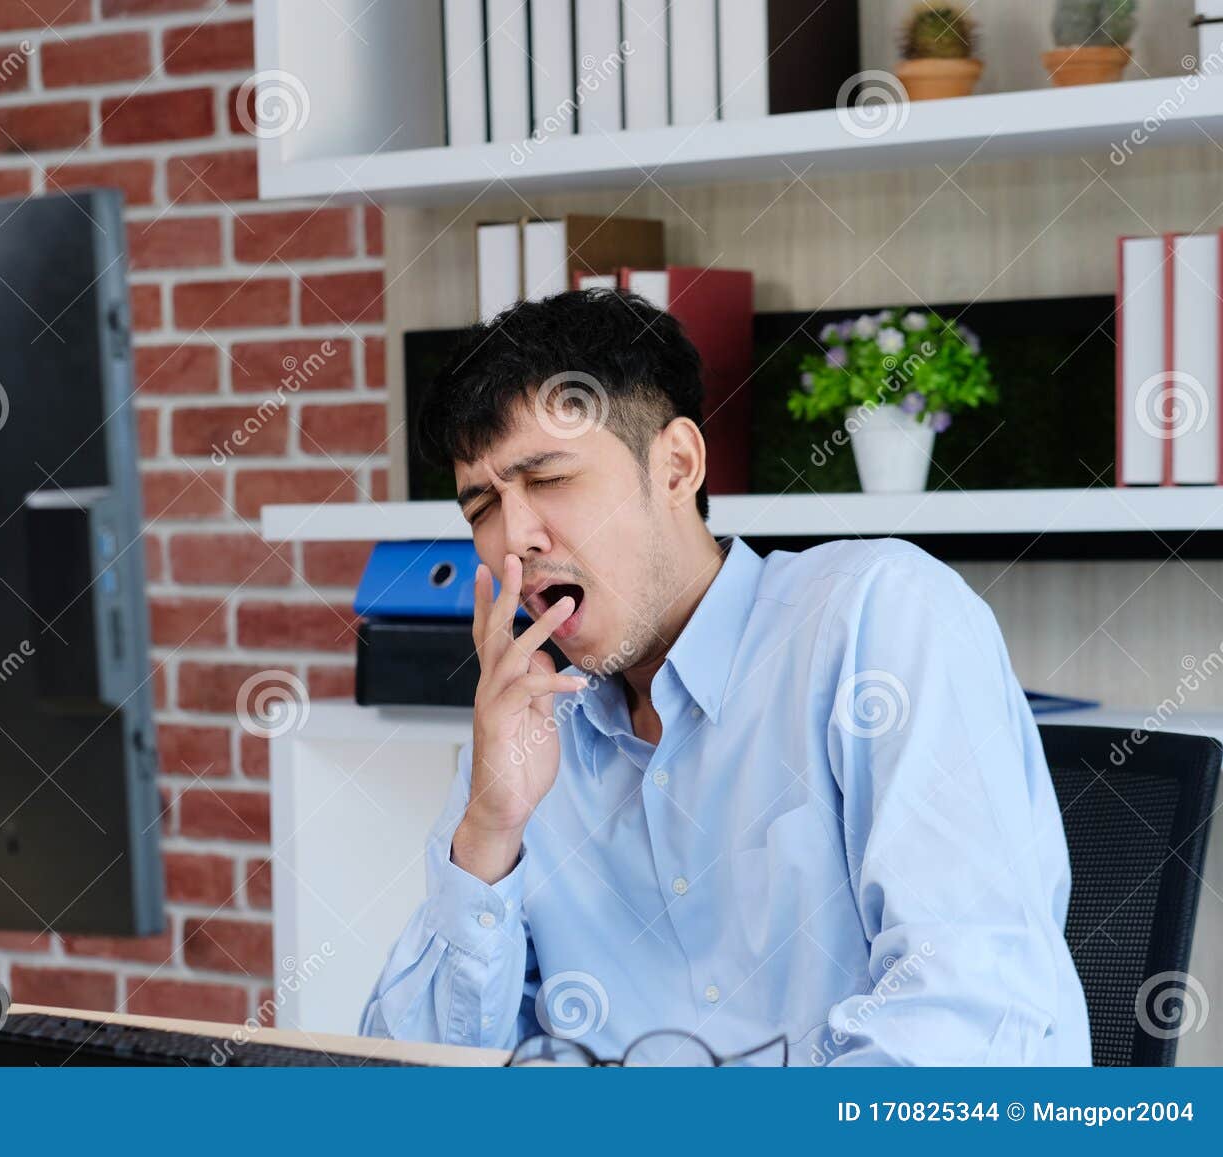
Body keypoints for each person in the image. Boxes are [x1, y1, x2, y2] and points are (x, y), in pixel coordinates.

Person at [358, 289, 1091, 1065]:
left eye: (547, 480)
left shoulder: (876, 619)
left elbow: (965, 1021)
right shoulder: (530, 733)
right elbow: (396, 1081)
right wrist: (488, 831)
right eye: (482, 506)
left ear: (676, 466)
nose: (514, 538)